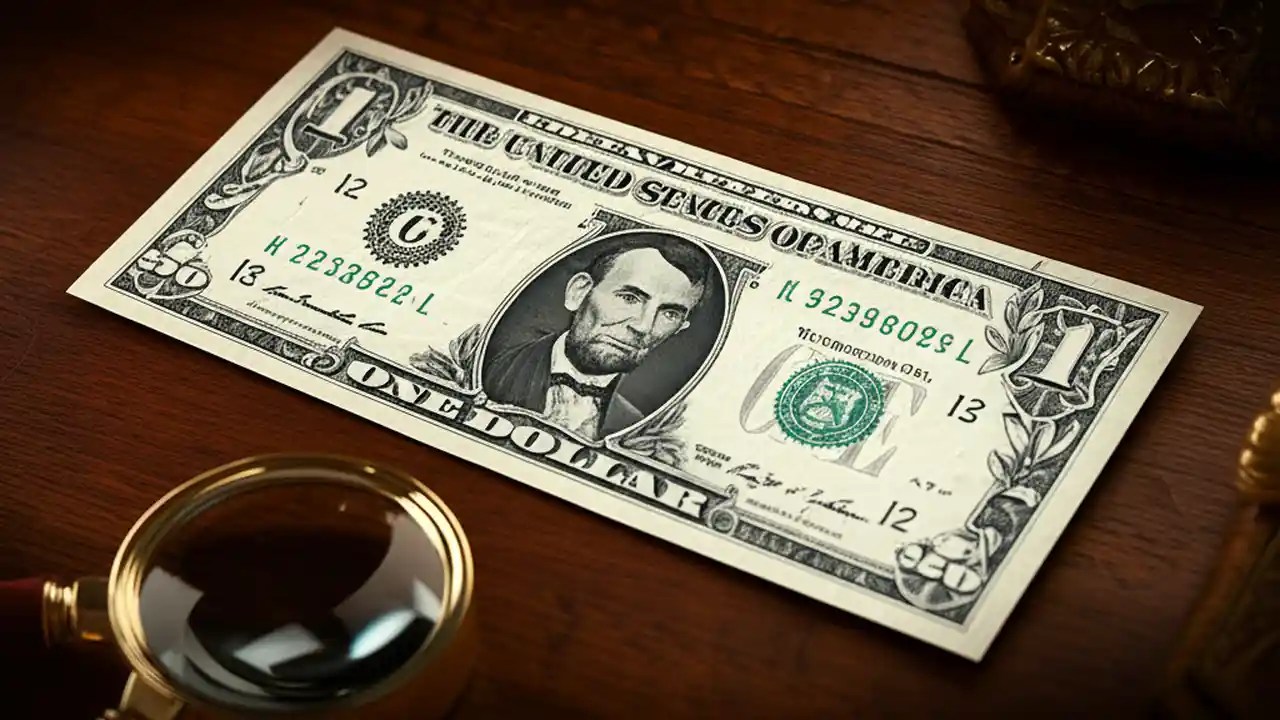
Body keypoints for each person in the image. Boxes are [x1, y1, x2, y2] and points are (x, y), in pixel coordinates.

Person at [482, 232, 712, 439]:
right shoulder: (488, 369)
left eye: (669, 314)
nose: (643, 326)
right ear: (579, 292)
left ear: (680, 328)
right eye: (629, 298)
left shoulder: (634, 424)